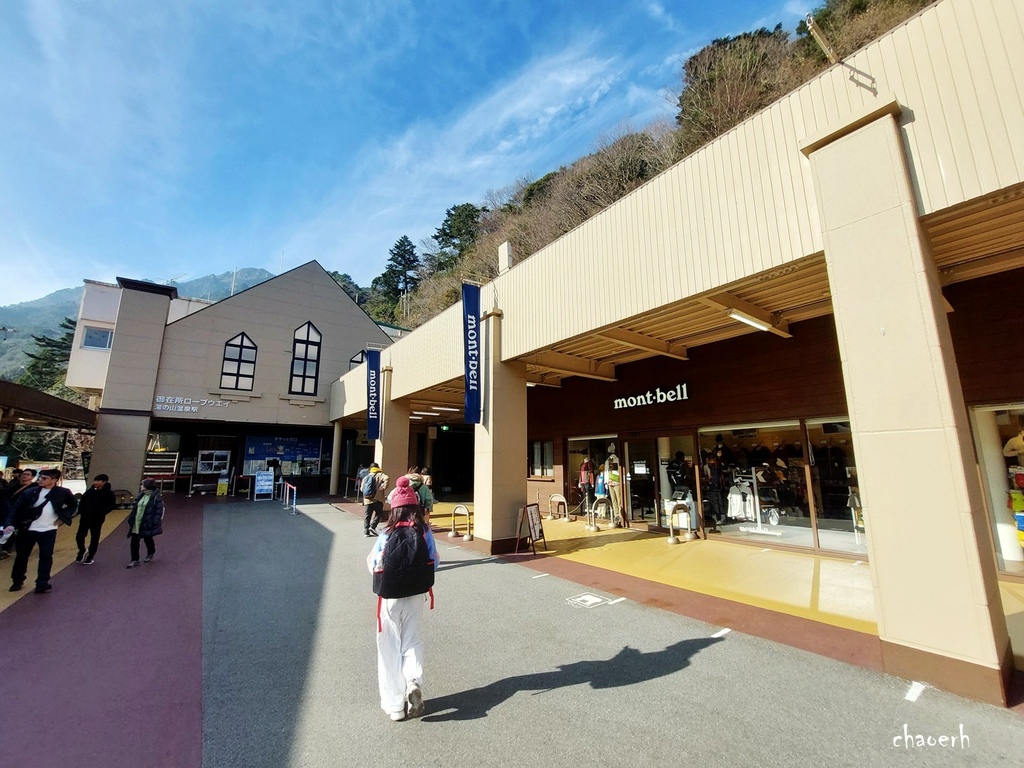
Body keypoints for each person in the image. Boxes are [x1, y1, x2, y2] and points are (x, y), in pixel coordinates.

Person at [366, 476, 439, 722]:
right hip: (417, 596)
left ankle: (395, 706)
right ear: (415, 507)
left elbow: (374, 564)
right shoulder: (424, 530)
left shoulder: (386, 534)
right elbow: (435, 561)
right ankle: (413, 681)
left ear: (395, 509)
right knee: (411, 641)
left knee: (388, 646)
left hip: (390, 598)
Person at [5, 468, 78, 594]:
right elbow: (16, 508)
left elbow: (73, 505)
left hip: (48, 530)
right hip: (27, 529)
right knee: (22, 556)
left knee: (46, 556)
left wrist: (63, 518)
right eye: (40, 477)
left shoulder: (63, 493)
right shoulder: (30, 492)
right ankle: (17, 580)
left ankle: (42, 583)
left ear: (54, 480)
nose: (40, 480)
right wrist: (10, 523)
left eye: (44, 478)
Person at [75, 473, 117, 565]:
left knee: (95, 537)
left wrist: (102, 512)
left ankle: (91, 556)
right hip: (85, 517)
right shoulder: (89, 492)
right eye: (95, 480)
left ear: (104, 482)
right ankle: (82, 550)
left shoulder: (108, 493)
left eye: (98, 481)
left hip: (97, 518)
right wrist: (82, 511)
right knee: (79, 536)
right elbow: (82, 502)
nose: (95, 482)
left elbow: (111, 505)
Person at [126, 478, 164, 568]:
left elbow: (159, 511)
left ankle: (151, 551)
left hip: (147, 522)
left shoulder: (156, 497)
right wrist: (131, 518)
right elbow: (136, 509)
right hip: (136, 522)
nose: (141, 486)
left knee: (148, 538)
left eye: (142, 485)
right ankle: (134, 559)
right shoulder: (140, 496)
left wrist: (154, 522)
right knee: (134, 541)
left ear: (147, 486)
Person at [0, 469, 37, 560]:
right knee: (7, 529)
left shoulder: (35, 488)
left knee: (13, 530)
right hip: (8, 511)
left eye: (28, 474)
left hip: (22, 513)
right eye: (24, 474)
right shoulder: (13, 486)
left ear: (32, 477)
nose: (24, 476)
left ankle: (7, 548)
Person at [362, 463, 389, 537]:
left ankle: (366, 531)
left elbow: (362, 488)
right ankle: (373, 526)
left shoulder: (367, 476)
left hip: (367, 499)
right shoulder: (380, 474)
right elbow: (387, 478)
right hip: (377, 498)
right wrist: (383, 487)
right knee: (379, 513)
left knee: (367, 515)